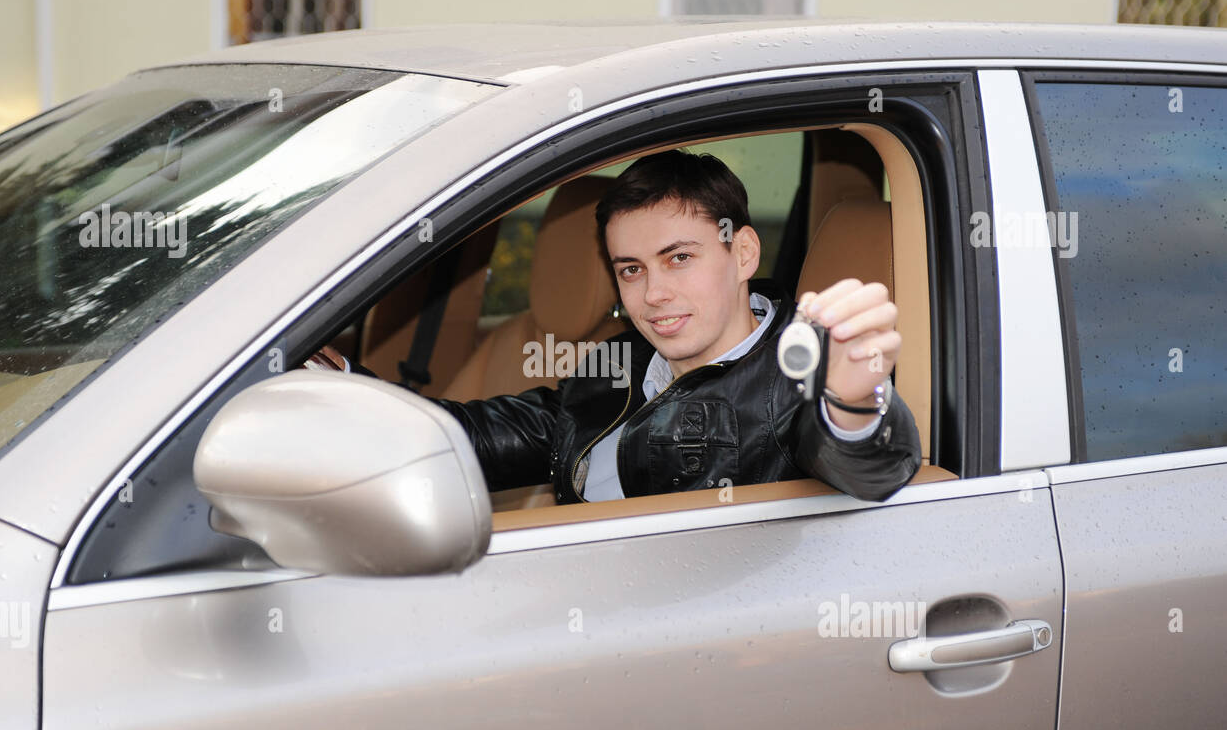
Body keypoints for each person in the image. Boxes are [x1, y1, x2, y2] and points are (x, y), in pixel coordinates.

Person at [317, 149, 922, 503]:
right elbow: (474, 437)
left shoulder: (799, 375)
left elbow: (874, 467)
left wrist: (853, 401)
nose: (653, 293)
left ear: (742, 254)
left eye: (678, 258)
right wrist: (340, 384)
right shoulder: (619, 368)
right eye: (630, 270)